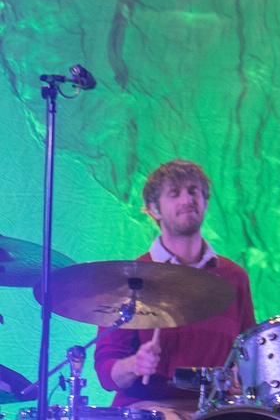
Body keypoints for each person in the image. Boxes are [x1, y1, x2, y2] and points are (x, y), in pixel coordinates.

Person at [95, 159, 256, 419]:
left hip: (215, 407)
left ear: (205, 202)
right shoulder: (129, 278)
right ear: (153, 209)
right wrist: (134, 364)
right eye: (175, 193)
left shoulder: (234, 276)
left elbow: (248, 350)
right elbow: (106, 372)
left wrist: (242, 375)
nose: (187, 199)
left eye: (194, 191)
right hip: (147, 405)